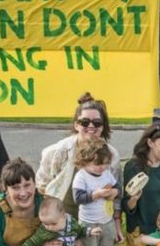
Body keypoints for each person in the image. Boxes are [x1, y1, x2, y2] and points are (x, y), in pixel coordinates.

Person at [36, 92, 122, 233]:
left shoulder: (112, 154)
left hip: (98, 222)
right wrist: (50, 220)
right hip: (63, 222)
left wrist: (117, 223)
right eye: (85, 122)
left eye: (97, 123)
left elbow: (117, 193)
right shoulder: (57, 151)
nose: (91, 126)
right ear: (76, 125)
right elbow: (41, 187)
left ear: (103, 126)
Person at [72, 136, 120, 246]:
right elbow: (78, 197)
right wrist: (96, 194)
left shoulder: (106, 173)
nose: (102, 167)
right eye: (97, 164)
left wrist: (114, 191)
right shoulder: (81, 176)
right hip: (89, 222)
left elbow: (117, 186)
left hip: (107, 220)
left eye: (105, 163)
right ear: (85, 161)